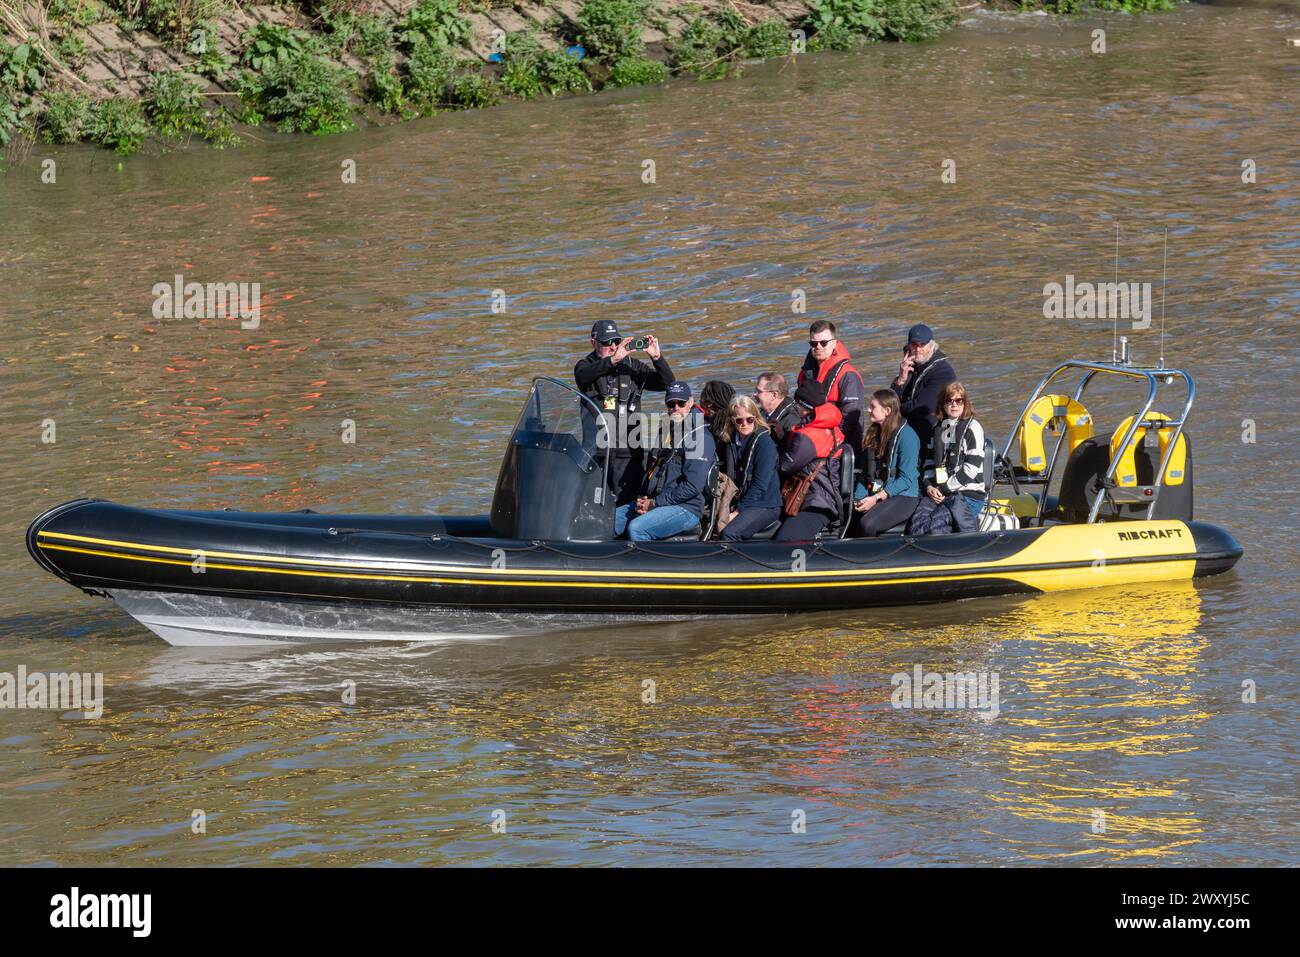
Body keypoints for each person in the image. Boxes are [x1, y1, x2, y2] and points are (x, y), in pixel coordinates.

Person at [574, 320, 675, 506]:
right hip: (597, 451)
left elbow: (667, 383)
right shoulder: (585, 365)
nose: (613, 347)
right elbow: (582, 377)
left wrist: (657, 357)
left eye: (616, 341)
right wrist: (612, 360)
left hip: (628, 452)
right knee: (592, 504)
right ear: (593, 342)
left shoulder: (633, 366)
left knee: (625, 505)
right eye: (606, 343)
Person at [614, 382, 716, 542]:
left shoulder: (700, 437)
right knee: (609, 520)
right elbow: (653, 467)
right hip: (657, 500)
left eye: (681, 403)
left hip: (686, 507)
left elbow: (692, 487)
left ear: (690, 403)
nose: (676, 408)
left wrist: (654, 503)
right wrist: (643, 495)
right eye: (671, 403)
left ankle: (644, 565)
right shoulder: (667, 429)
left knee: (637, 528)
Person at [909, 382, 987, 535]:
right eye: (949, 401)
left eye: (959, 401)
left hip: (967, 495)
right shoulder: (938, 429)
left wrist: (944, 489)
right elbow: (929, 463)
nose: (954, 405)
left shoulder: (974, 428)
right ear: (942, 404)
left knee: (937, 524)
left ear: (965, 403)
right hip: (939, 491)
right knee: (918, 521)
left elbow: (970, 469)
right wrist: (929, 487)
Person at [774, 382, 845, 542]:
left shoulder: (808, 436)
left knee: (784, 540)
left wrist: (774, 445)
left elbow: (785, 465)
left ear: (803, 407)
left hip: (816, 501)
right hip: (830, 493)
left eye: (797, 404)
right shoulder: (831, 425)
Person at [851, 390, 920, 537]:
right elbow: (865, 474)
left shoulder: (908, 436)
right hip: (877, 491)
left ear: (887, 411)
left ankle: (870, 557)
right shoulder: (873, 434)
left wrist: (876, 498)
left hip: (904, 496)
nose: (868, 410)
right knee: (850, 517)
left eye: (873, 407)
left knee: (867, 525)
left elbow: (906, 478)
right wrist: (857, 499)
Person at [713, 395, 782, 541]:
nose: (745, 424)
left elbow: (760, 485)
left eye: (749, 419)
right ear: (732, 420)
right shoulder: (728, 442)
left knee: (729, 533)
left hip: (765, 504)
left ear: (756, 417)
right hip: (741, 500)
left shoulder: (764, 443)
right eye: (739, 420)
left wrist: (737, 512)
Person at [797, 320, 865, 452]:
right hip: (812, 441)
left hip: (841, 446)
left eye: (823, 343)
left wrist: (829, 443)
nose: (818, 347)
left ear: (834, 343)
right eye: (813, 343)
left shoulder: (848, 375)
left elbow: (851, 417)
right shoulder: (805, 374)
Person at [890, 323, 956, 459]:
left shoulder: (943, 372)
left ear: (932, 346)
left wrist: (892, 411)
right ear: (908, 347)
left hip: (937, 440)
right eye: (914, 344)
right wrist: (901, 380)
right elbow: (889, 400)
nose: (918, 349)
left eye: (922, 345)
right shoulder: (910, 369)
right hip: (912, 437)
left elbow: (921, 407)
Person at [754, 372, 801, 443]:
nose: (754, 394)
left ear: (774, 395)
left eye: (759, 391)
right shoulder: (762, 411)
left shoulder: (791, 420)